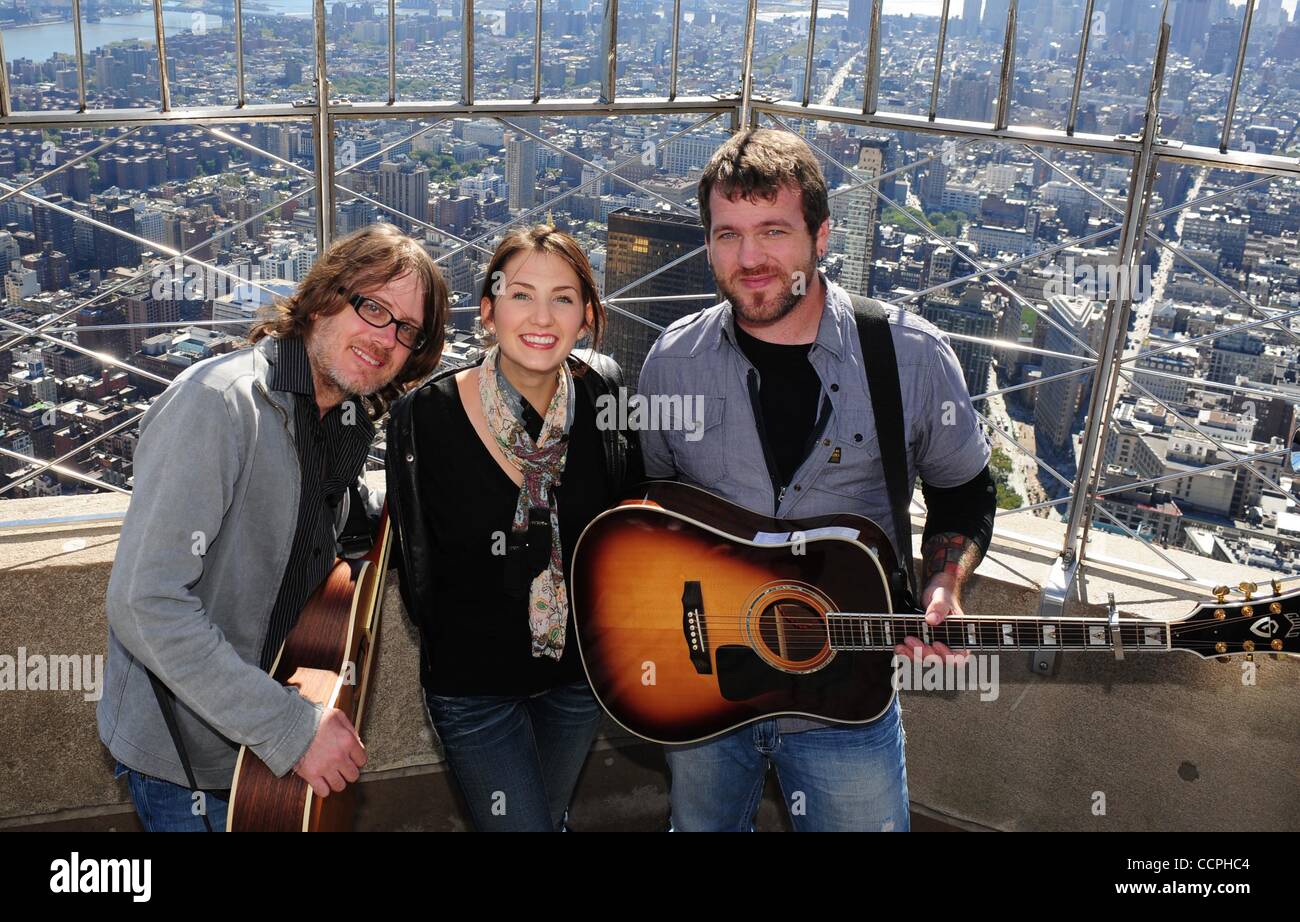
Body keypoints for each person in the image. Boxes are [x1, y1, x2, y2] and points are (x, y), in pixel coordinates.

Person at [637, 128, 997, 832]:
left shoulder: (911, 357)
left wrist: (944, 582)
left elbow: (964, 491)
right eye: (728, 234)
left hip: (847, 699)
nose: (749, 259)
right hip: (704, 685)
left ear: (822, 236)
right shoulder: (672, 363)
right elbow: (647, 511)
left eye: (774, 231)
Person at [99, 223, 449, 831]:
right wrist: (290, 727)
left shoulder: (340, 419)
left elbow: (323, 517)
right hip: (191, 762)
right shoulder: (218, 404)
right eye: (372, 307)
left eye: (407, 330)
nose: (386, 338)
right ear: (320, 301)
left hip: (267, 736)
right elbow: (144, 602)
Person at [386, 225, 642, 831]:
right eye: (520, 294)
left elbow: (631, 528)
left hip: (579, 676)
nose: (542, 317)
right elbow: (413, 556)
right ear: (487, 311)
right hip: (472, 685)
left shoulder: (605, 397)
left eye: (563, 298)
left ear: (587, 317)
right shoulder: (424, 419)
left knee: (545, 818)